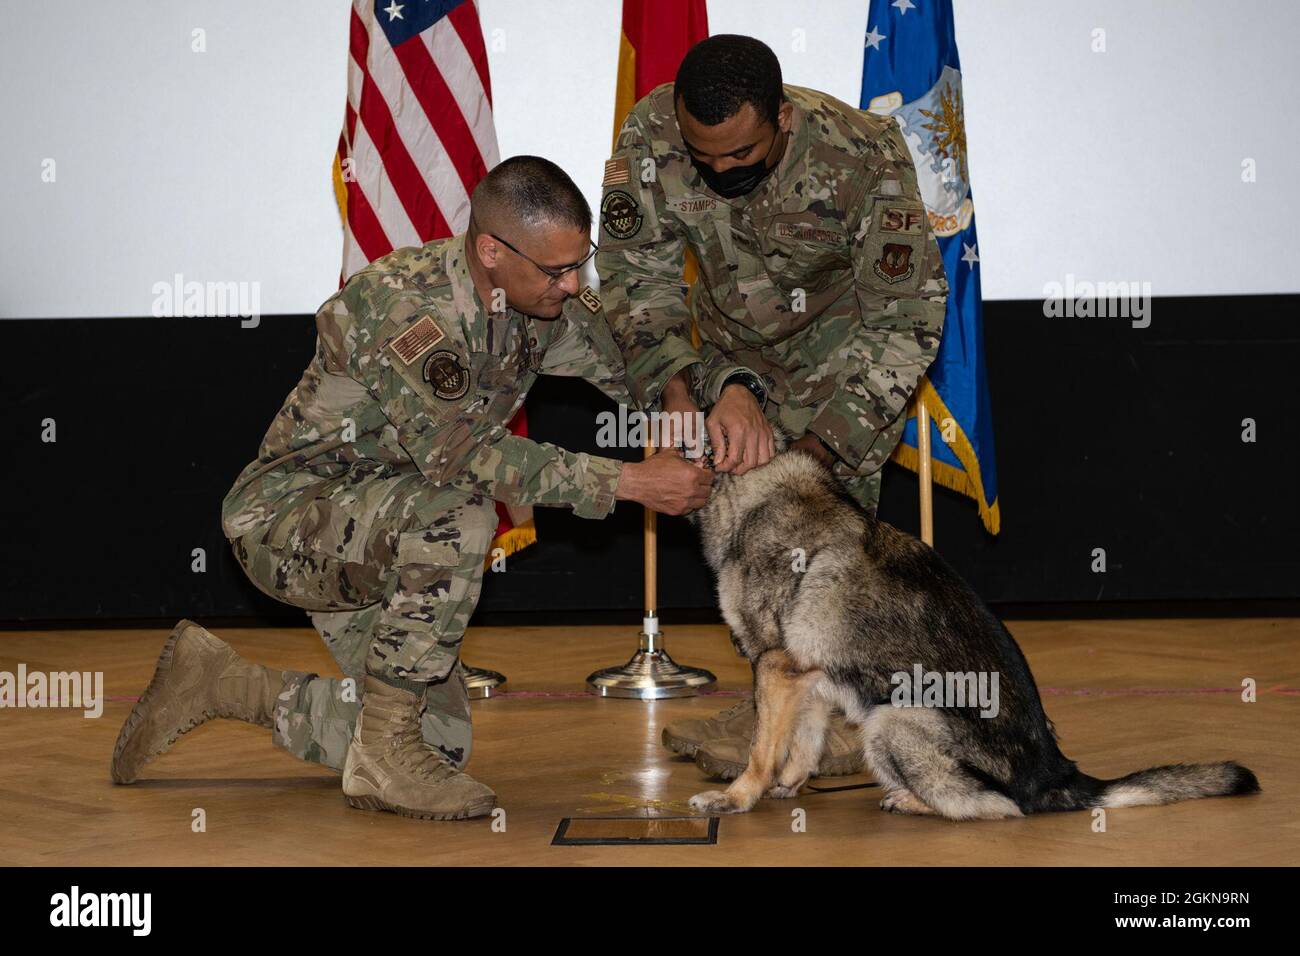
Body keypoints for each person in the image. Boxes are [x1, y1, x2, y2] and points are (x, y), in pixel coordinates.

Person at [110, 156, 713, 821]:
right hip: (290, 520)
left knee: (442, 743)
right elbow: (465, 454)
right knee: (462, 510)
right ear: (491, 250)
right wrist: (630, 481)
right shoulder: (402, 305)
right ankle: (384, 753)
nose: (573, 285)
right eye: (556, 270)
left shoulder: (538, 300)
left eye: (581, 263)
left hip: (389, 523)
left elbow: (629, 358)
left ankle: (222, 685)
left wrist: (680, 391)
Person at [596, 35, 949, 780]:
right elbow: (638, 282)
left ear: (782, 118)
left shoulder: (863, 153)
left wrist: (814, 459)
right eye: (705, 157)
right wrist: (685, 393)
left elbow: (906, 316)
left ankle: (848, 717)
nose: (721, 171)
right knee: (740, 544)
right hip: (726, 359)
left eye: (741, 155)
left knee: (819, 544)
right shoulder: (649, 136)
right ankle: (775, 701)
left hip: (843, 360)